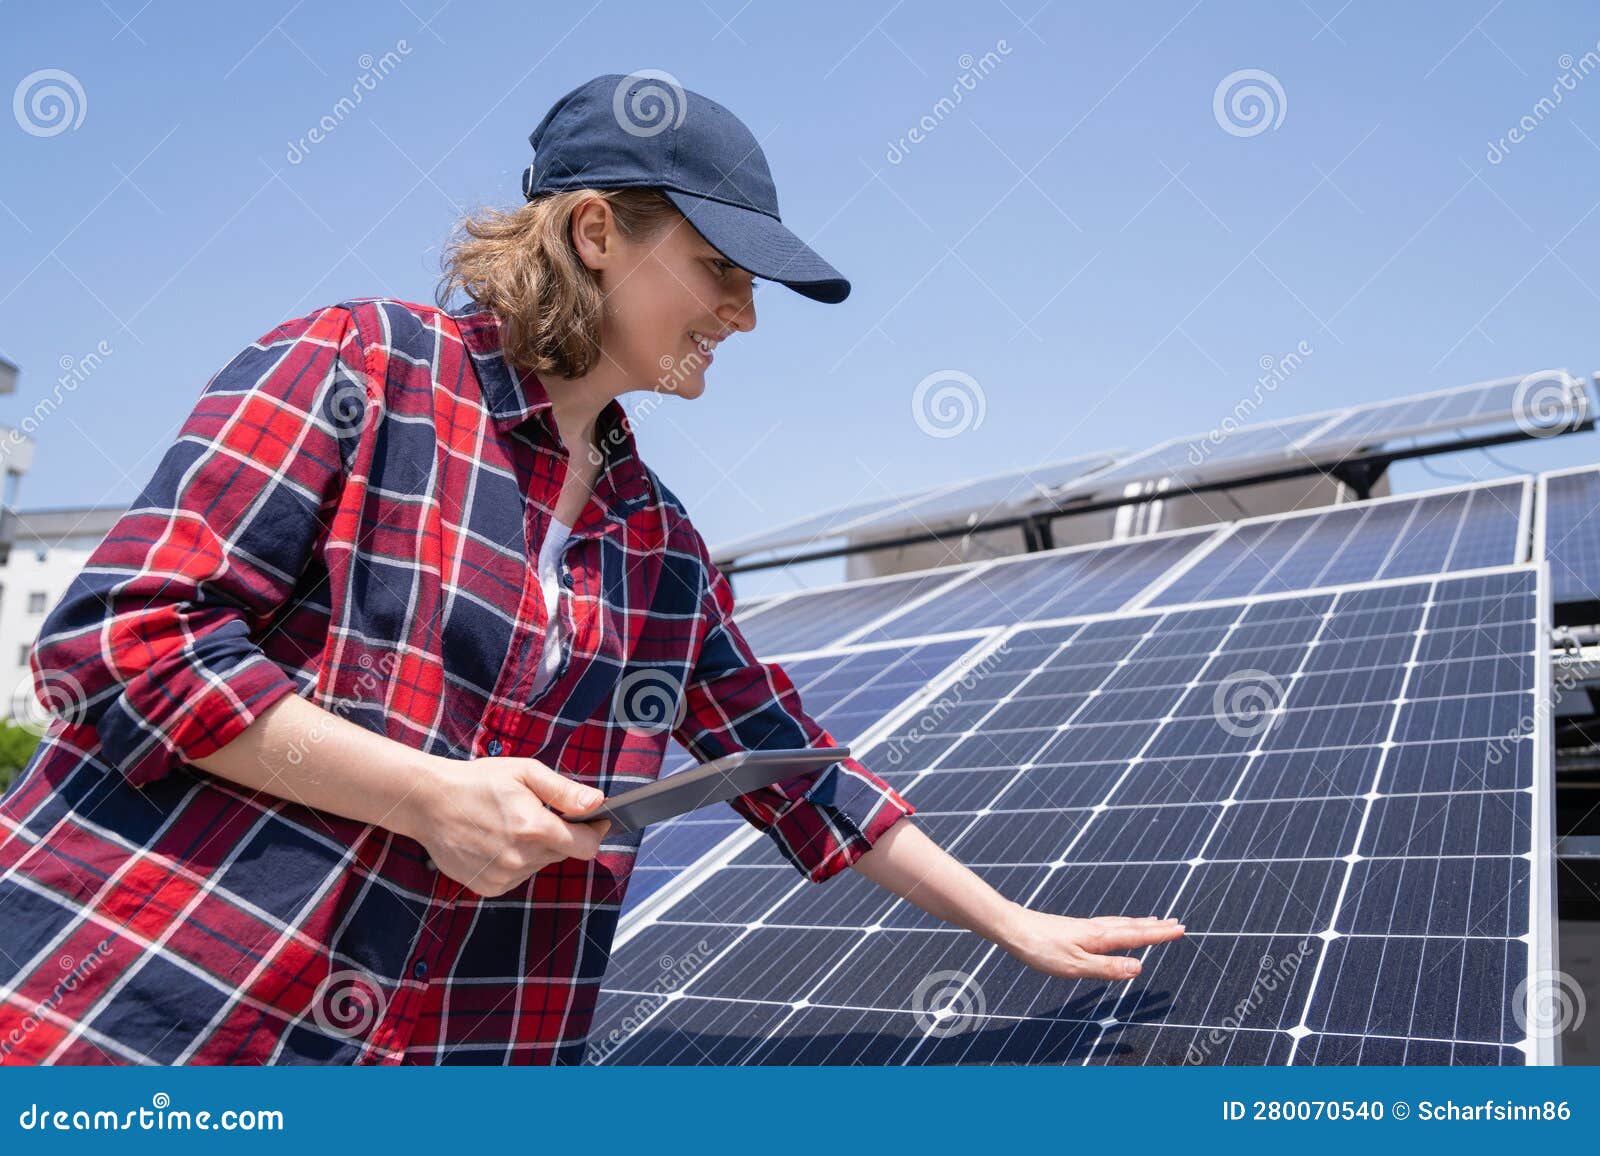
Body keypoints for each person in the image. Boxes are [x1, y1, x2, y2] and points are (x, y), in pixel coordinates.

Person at [0, 72, 1182, 1066]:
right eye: (721, 267)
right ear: (595, 231)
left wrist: (1009, 923)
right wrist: (423, 796)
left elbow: (796, 768)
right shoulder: (362, 366)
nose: (744, 314)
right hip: (145, 1024)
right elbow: (121, 646)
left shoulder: (656, 544)